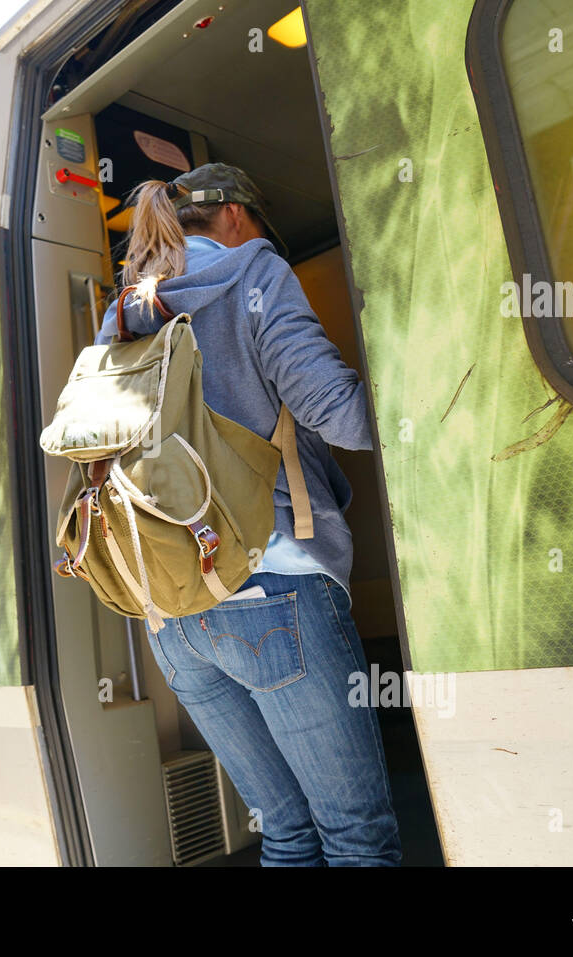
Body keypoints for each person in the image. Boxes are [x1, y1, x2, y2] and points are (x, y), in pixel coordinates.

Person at [97, 163, 401, 867]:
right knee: (358, 838)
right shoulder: (253, 271)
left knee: (289, 835)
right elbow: (342, 414)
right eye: (261, 226)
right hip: (276, 589)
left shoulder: (126, 311)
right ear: (236, 216)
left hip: (171, 615)